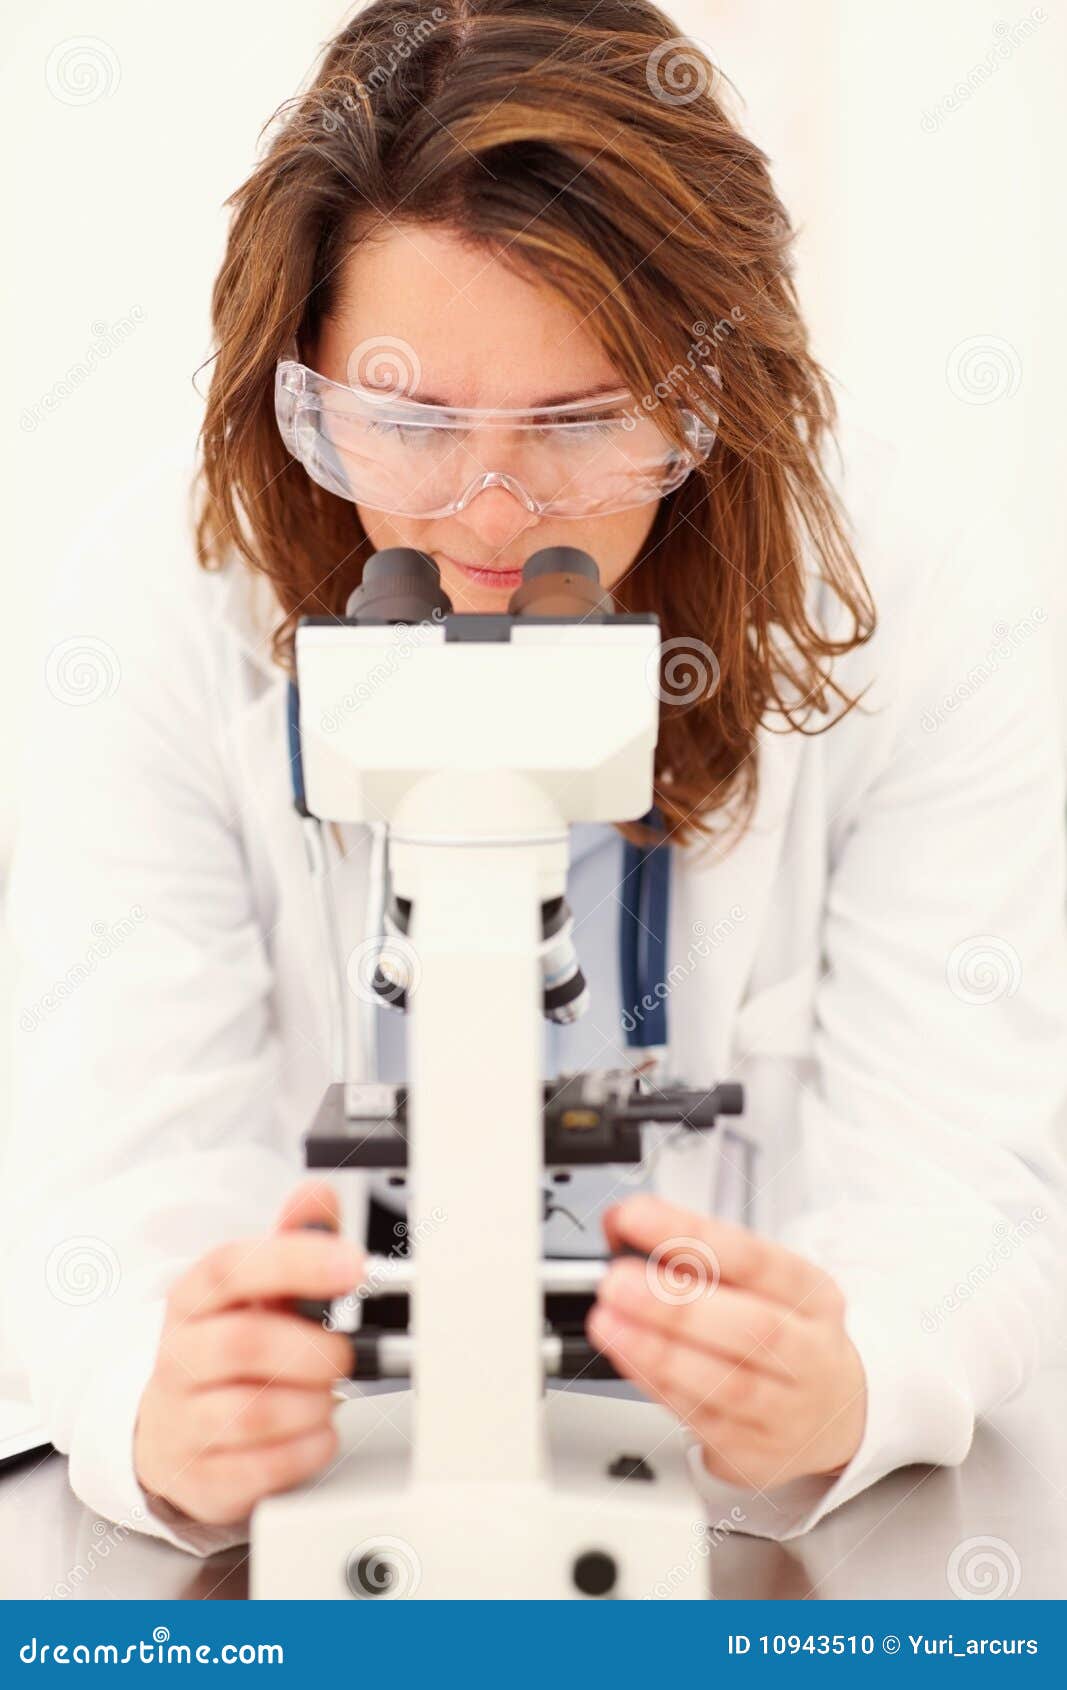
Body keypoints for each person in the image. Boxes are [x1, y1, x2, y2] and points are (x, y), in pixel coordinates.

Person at [4, 0, 1065, 1562]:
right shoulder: (166, 612)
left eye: (576, 421)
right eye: (410, 418)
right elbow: (108, 1180)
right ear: (297, 388)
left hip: (735, 1537)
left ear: (707, 399)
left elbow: (968, 1189)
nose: (488, 513)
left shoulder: (922, 612)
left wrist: (853, 1372)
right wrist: (164, 1403)